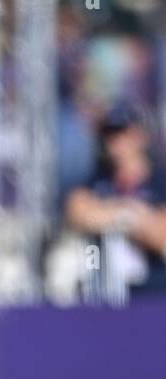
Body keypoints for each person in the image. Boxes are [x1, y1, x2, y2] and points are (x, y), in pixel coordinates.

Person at [63, 103, 166, 299]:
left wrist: (112, 217)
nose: (117, 142)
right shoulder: (99, 180)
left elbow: (160, 234)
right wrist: (127, 214)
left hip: (154, 291)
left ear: (140, 135)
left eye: (123, 133)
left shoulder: (159, 182)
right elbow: (77, 210)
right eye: (110, 135)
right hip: (106, 292)